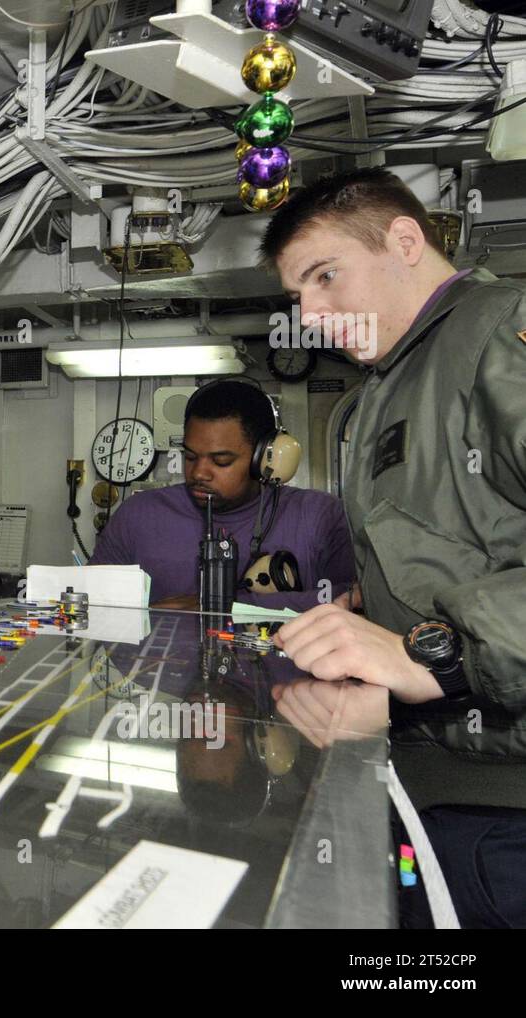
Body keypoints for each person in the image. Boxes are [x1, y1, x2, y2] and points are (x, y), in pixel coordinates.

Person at [264, 166, 526, 927]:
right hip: (442, 793)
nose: (311, 314)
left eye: (325, 276)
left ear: (405, 241)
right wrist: (376, 611)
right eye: (297, 297)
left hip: (503, 819)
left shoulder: (498, 332)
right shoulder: (388, 385)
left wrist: (433, 657)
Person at [91, 378, 354, 612]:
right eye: (190, 456)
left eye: (222, 461)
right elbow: (94, 605)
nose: (199, 473)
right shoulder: (139, 515)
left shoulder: (319, 517)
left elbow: (354, 600)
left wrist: (226, 607)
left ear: (262, 458)